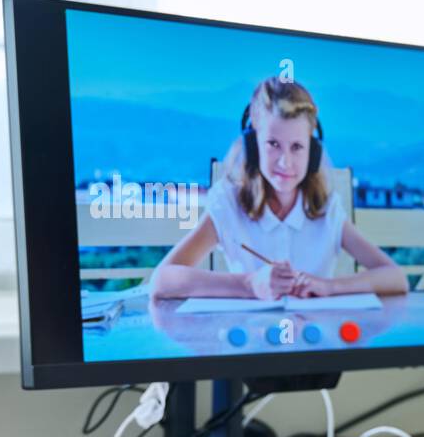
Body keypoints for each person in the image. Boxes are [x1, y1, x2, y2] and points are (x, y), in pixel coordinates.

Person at [149, 77, 408, 300]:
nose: (285, 162)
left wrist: (329, 287)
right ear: (253, 146)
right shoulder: (229, 202)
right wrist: (249, 284)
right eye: (273, 144)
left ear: (313, 152)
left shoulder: (326, 208)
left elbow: (395, 278)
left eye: (297, 147)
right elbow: (162, 281)